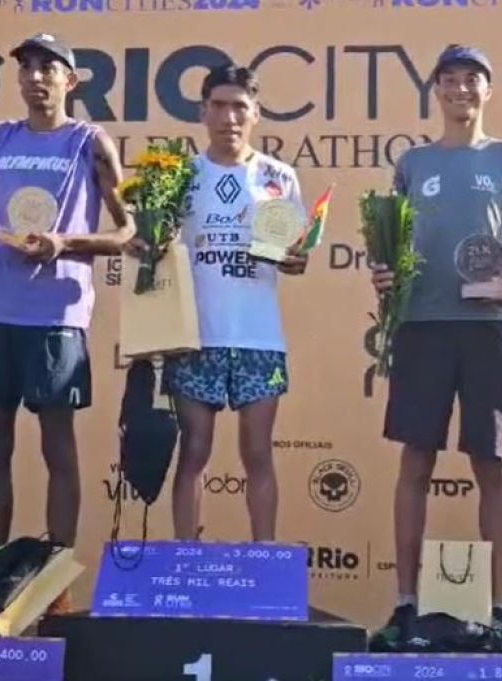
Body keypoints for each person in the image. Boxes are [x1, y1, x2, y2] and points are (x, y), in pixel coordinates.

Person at [0, 33, 132, 611]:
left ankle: (54, 586)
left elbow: (127, 232)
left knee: (57, 449)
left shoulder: (89, 142)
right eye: (27, 68)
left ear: (72, 80)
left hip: (55, 317)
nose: (36, 77)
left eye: (49, 67)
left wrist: (64, 243)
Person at [369, 45, 502, 635]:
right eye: (449, 79)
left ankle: (497, 607)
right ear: (437, 90)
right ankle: (405, 601)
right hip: (422, 326)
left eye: (472, 79)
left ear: (487, 90)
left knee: (492, 465)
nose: (460, 89)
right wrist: (384, 274)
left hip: (489, 328)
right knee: (416, 459)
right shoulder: (413, 163)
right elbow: (390, 246)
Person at [151, 63, 309, 542]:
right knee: (194, 451)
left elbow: (292, 255)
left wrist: (294, 258)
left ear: (256, 113)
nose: (229, 117)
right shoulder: (180, 177)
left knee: (258, 452)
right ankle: (185, 555)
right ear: (203, 112)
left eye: (239, 107)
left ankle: (264, 557)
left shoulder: (279, 177)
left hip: (259, 337)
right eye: (218, 106)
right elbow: (153, 248)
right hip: (195, 336)